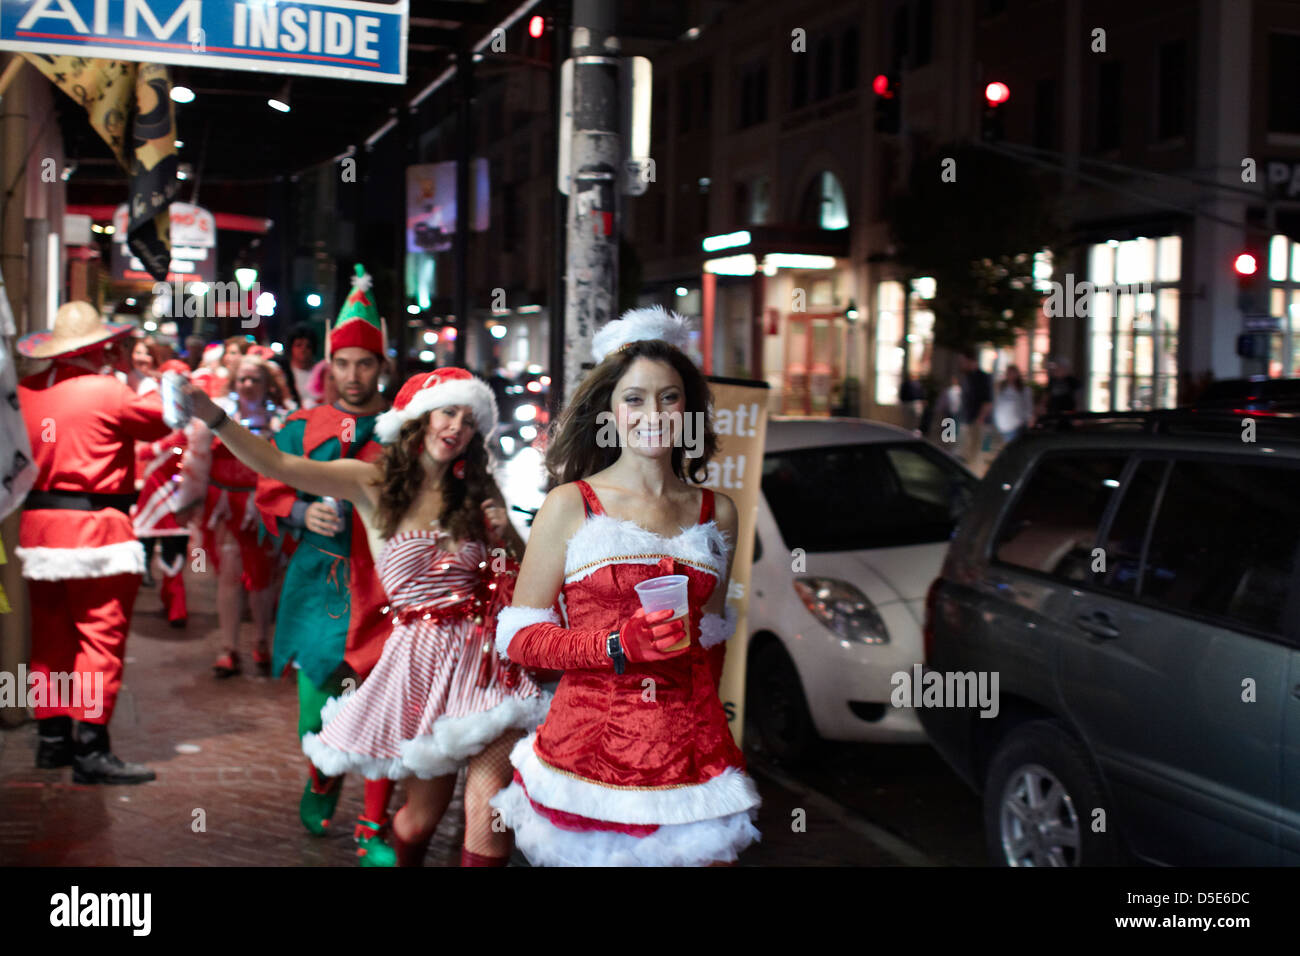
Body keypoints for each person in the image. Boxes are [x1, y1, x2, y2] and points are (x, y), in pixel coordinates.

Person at [184, 366, 550, 867]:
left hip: (488, 666)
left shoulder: (476, 496)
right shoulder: (369, 482)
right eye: (448, 412)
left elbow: (526, 572)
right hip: (420, 665)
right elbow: (278, 464)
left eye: (469, 420)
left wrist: (502, 535)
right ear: (420, 419)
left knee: (487, 811)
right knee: (419, 820)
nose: (457, 427)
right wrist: (215, 418)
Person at [491, 306, 761, 867]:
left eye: (669, 397)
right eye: (634, 399)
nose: (654, 414)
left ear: (688, 409)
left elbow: (711, 640)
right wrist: (617, 645)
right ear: (610, 413)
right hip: (591, 758)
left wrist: (715, 738)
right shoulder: (570, 506)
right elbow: (521, 639)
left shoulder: (720, 512)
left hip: (693, 761)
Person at [253, 264, 399, 863]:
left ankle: (372, 825)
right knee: (317, 709)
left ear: (381, 367)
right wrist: (297, 514)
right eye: (344, 363)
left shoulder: (401, 429)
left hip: (385, 582)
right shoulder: (296, 428)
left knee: (383, 704)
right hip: (317, 584)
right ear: (328, 367)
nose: (354, 374)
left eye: (365, 363)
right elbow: (268, 491)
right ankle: (321, 774)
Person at [15, 302, 172, 784]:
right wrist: (127, 373)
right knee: (99, 639)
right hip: (97, 533)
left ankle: (52, 740)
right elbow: (164, 420)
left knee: (49, 637)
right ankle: (91, 748)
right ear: (103, 347)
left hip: (38, 531)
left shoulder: (24, 394)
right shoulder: (109, 390)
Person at [182, 354, 286, 677]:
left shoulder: (282, 420)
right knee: (228, 575)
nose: (249, 385)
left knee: (262, 578)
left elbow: (289, 466)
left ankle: (261, 642)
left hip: (263, 507)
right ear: (234, 382)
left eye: (255, 379)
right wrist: (188, 501)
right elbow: (197, 460)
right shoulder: (216, 417)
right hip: (225, 506)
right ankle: (228, 648)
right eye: (243, 379)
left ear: (268, 385)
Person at [133, 358, 198, 626]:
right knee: (146, 544)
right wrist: (164, 447)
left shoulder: (195, 410)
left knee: (175, 545)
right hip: (156, 485)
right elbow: (140, 447)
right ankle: (167, 599)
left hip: (182, 486)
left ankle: (176, 603)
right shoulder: (150, 404)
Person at [277, 324, 326, 411]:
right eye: (298, 345)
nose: (303, 349)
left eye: (308, 346)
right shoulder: (282, 373)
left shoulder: (321, 372)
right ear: (290, 348)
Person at [957, 347, 992, 465]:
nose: (961, 364)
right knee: (966, 452)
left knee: (975, 454)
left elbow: (987, 401)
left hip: (976, 422)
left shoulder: (982, 377)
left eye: (963, 361)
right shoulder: (967, 377)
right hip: (967, 421)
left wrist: (979, 420)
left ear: (970, 361)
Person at [992, 364, 1034, 445]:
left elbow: (1028, 406)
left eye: (1012, 373)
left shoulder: (1023, 389)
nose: (1010, 375)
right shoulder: (1002, 388)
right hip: (1002, 427)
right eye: (1008, 373)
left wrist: (1029, 418)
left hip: (1015, 426)